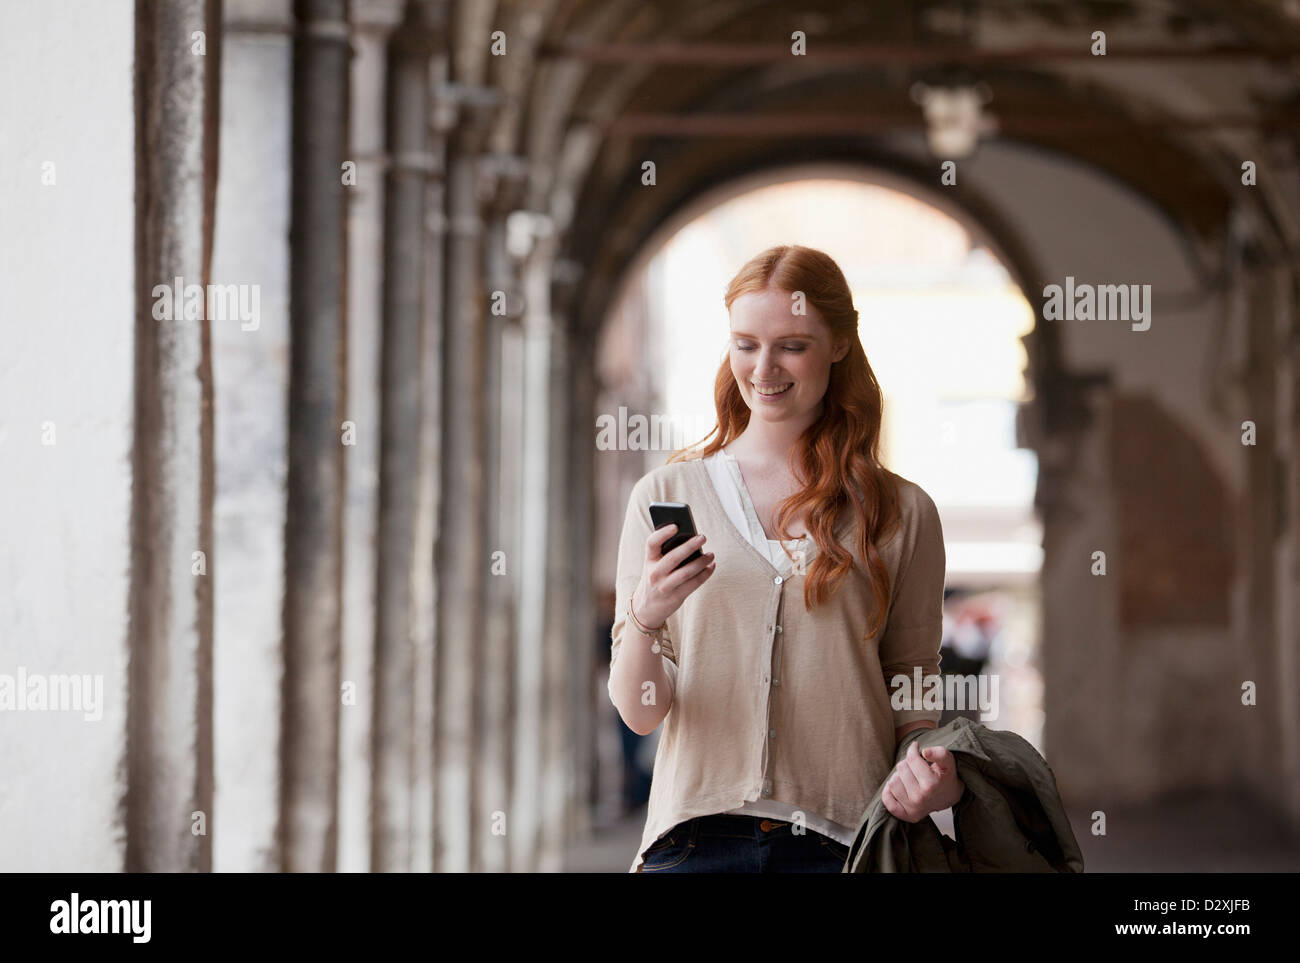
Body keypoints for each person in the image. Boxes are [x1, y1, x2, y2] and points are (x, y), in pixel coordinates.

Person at [607, 244, 965, 873]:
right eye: (746, 344)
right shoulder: (666, 496)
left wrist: (927, 767)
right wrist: (644, 615)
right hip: (692, 842)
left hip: (842, 842)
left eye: (792, 345)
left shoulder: (903, 513)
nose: (764, 367)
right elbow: (640, 714)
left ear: (839, 344)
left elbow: (912, 678)